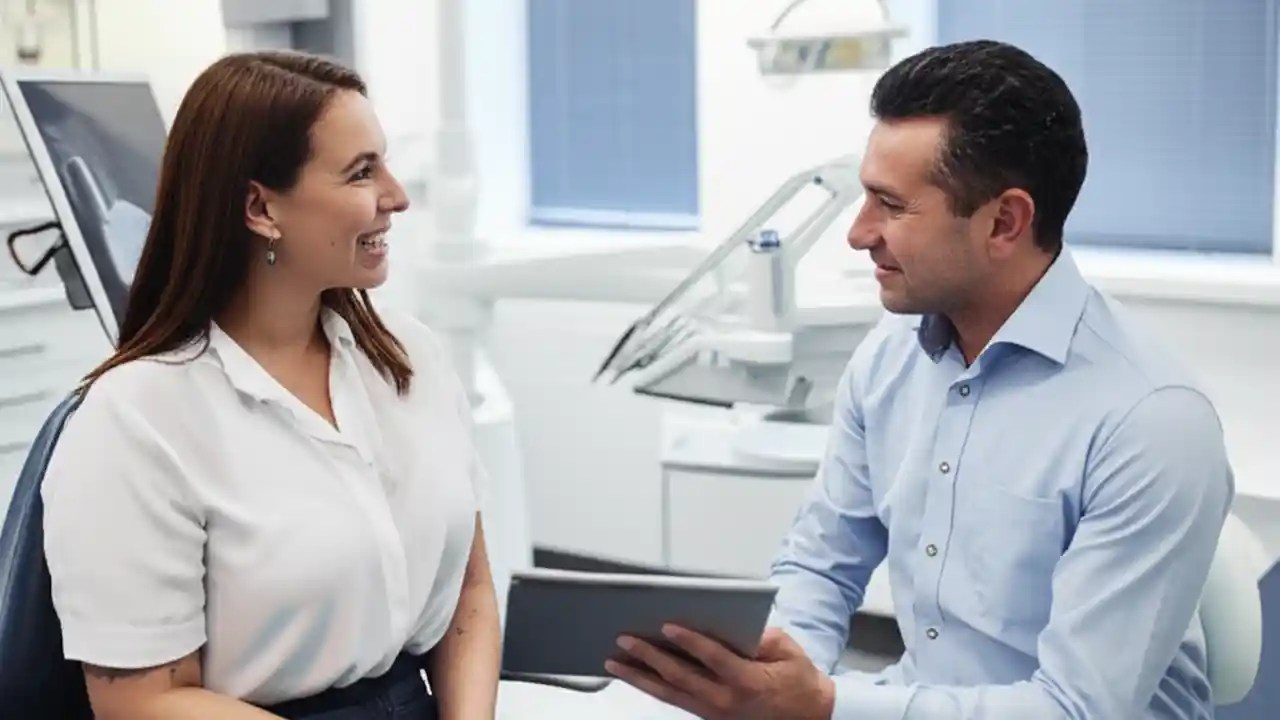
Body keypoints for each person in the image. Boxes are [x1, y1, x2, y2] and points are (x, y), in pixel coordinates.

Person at [606, 40, 1234, 719]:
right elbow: (820, 564)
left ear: (1005, 222)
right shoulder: (889, 357)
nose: (856, 232)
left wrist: (821, 707)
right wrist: (775, 678)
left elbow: (1075, 710)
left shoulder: (1151, 420)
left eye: (890, 205)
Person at [41, 51, 500, 719]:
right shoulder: (136, 419)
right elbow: (142, 703)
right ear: (260, 207)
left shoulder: (410, 358)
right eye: (362, 172)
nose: (396, 196)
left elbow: (469, 592)